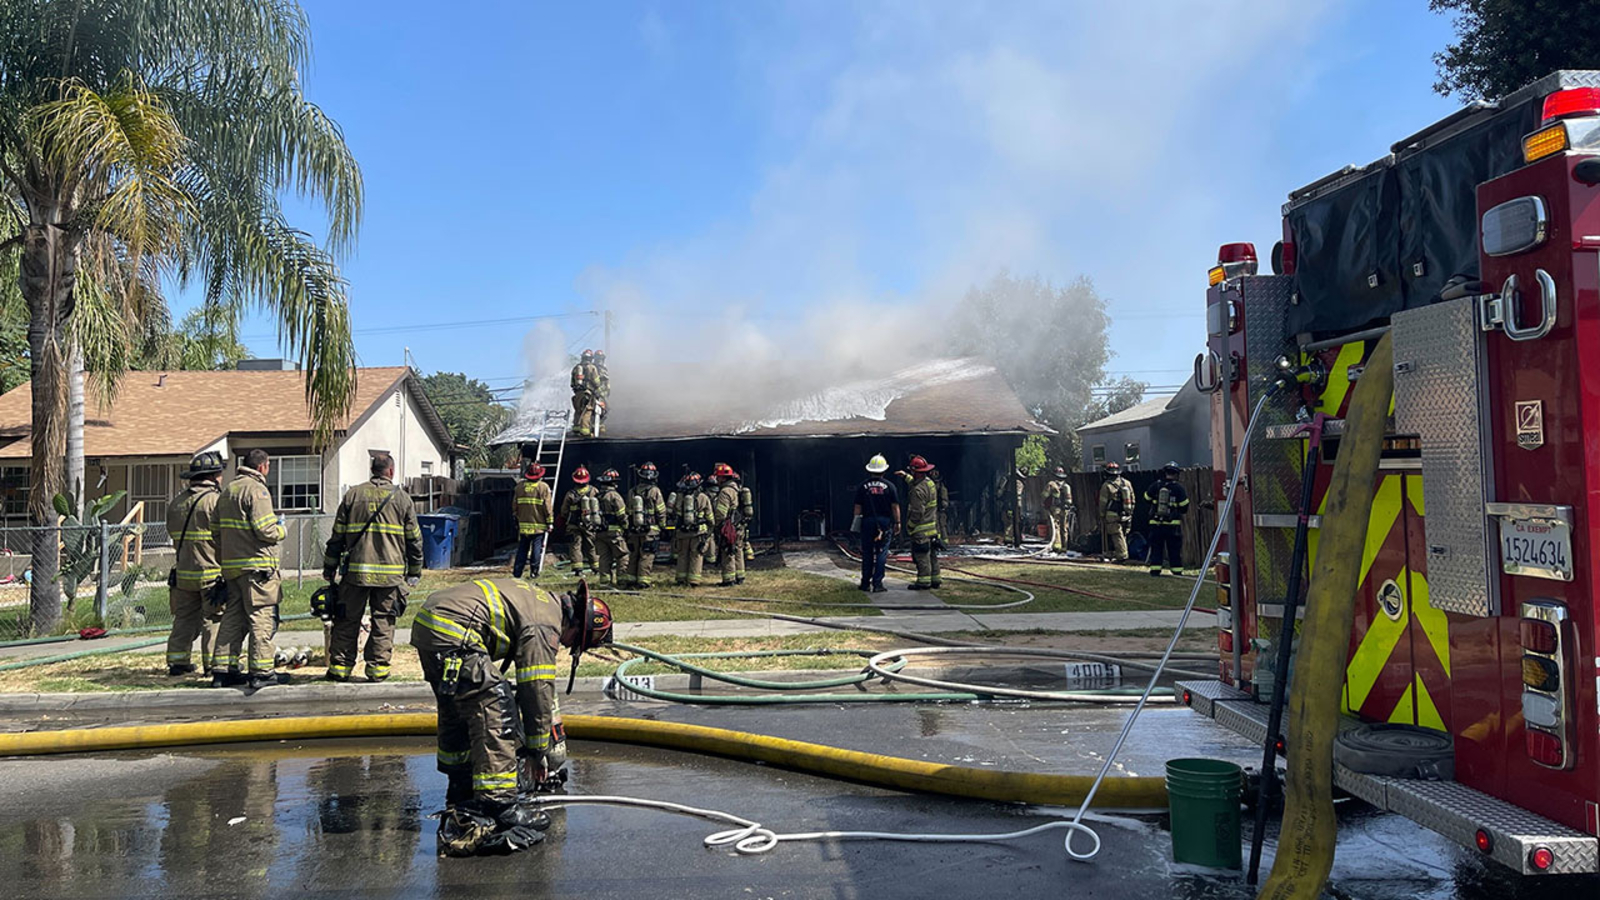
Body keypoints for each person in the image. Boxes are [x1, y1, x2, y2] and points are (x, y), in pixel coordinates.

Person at [413, 577, 614, 856]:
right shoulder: (545, 623)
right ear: (576, 625)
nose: (566, 647)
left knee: (458, 708)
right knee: (494, 706)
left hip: (430, 624)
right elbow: (537, 690)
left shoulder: (540, 601)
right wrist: (537, 750)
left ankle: (460, 788)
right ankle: (500, 804)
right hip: (455, 630)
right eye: (574, 643)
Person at [321, 452, 424, 682]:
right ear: (390, 471)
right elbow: (414, 540)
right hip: (390, 577)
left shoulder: (353, 495)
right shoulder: (402, 499)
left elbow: (337, 536)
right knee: (384, 621)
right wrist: (415, 571)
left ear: (372, 470)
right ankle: (377, 670)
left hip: (355, 575)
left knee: (347, 619)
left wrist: (330, 566)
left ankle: (339, 668)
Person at [214, 449, 288, 689]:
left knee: (233, 617)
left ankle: (223, 670)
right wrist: (282, 530)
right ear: (263, 467)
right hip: (257, 569)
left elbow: (215, 531)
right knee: (261, 618)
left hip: (233, 567)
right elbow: (265, 530)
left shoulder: (227, 491)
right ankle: (262, 672)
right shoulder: (257, 490)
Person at [163, 451, 236, 678]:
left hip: (183, 573)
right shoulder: (215, 501)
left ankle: (177, 662)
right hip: (211, 572)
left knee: (183, 618)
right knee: (212, 619)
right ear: (214, 475)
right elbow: (226, 535)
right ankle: (212, 665)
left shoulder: (176, 503)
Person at [852, 454, 900, 593]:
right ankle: (878, 583)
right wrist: (897, 523)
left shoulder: (863, 486)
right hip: (884, 522)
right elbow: (895, 506)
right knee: (881, 552)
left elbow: (857, 507)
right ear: (884, 471)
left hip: (867, 521)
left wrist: (856, 524)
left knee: (867, 552)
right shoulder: (890, 486)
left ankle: (865, 583)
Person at [624, 461, 667, 588]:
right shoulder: (655, 491)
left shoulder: (632, 491)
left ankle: (630, 579)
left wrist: (628, 528)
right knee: (646, 555)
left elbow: (627, 511)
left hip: (634, 529)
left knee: (634, 554)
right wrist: (663, 526)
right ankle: (643, 581)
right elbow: (661, 510)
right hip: (650, 530)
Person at [1143, 462, 1191, 576]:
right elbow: (1184, 507)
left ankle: (1155, 570)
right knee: (1174, 549)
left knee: (1156, 548)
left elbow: (1146, 498)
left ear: (1165, 473)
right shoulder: (1179, 488)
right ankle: (1177, 571)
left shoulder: (1156, 485)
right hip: (1172, 525)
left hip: (1156, 524)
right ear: (1176, 474)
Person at [902, 456, 942, 590]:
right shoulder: (930, 483)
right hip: (933, 527)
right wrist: (905, 477)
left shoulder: (917, 491)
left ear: (914, 471)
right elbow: (916, 482)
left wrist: (910, 527)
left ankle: (923, 581)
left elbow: (917, 512)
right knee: (932, 555)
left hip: (921, 530)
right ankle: (936, 579)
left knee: (921, 557)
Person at [512, 463, 553, 579]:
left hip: (523, 525)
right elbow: (547, 507)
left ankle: (517, 573)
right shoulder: (543, 487)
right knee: (536, 549)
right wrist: (550, 522)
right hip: (538, 526)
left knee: (522, 549)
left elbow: (514, 506)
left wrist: (516, 518)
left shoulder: (519, 487)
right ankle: (534, 572)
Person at [671, 471, 711, 587]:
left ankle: (681, 579)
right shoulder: (704, 497)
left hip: (682, 532)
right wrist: (710, 528)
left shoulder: (680, 497)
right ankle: (693, 580)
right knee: (696, 555)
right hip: (698, 532)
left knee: (682, 555)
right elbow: (710, 517)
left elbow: (677, 514)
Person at [559, 467, 600, 575]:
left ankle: (578, 569)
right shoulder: (594, 491)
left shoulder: (570, 493)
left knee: (575, 546)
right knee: (591, 545)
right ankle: (596, 568)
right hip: (589, 524)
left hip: (573, 524)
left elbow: (564, 511)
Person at [593, 468, 630, 586]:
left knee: (604, 557)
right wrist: (626, 527)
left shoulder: (597, 496)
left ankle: (605, 582)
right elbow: (621, 515)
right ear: (614, 483)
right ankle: (622, 580)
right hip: (614, 533)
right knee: (622, 555)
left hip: (600, 533)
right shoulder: (615, 496)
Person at [1098, 461, 1135, 562]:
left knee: (1117, 535)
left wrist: (1101, 515)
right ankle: (1121, 553)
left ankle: (1122, 556)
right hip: (1126, 513)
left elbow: (1103, 502)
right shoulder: (1127, 483)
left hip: (1112, 515)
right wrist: (1130, 512)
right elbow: (1133, 499)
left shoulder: (1106, 486)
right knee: (1123, 534)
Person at [1043, 466, 1075, 553]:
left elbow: (1044, 495)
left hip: (1055, 509)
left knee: (1055, 527)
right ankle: (1065, 546)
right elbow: (1069, 500)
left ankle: (1057, 546)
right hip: (1065, 510)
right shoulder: (1067, 486)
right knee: (1064, 528)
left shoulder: (1051, 484)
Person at [569, 350, 597, 437]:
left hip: (577, 393)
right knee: (587, 411)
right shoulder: (592, 368)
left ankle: (576, 428)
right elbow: (596, 381)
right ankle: (585, 431)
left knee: (578, 410)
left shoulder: (576, 368)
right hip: (587, 392)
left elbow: (572, 382)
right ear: (591, 358)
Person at [593, 351, 611, 436]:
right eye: (598, 358)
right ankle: (594, 427)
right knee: (594, 410)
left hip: (602, 393)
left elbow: (606, 380)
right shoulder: (593, 368)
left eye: (601, 358)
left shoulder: (603, 368)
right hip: (596, 393)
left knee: (606, 409)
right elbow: (595, 382)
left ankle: (600, 425)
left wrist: (608, 389)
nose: (600, 360)